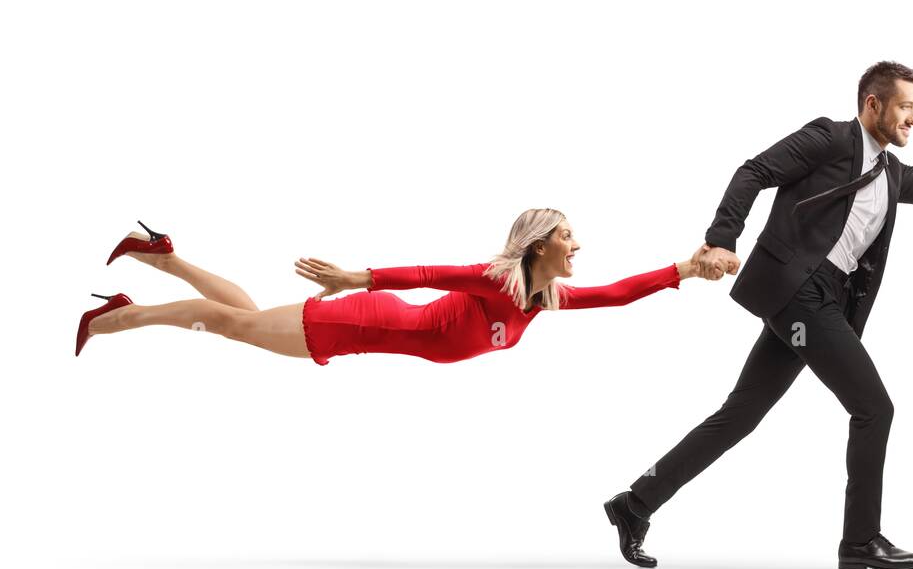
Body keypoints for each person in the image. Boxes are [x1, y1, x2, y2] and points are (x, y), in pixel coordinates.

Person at [603, 61, 913, 569]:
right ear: (873, 104)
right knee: (873, 408)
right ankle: (861, 541)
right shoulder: (828, 139)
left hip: (820, 299)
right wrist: (721, 239)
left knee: (741, 414)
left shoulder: (889, 171)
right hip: (800, 292)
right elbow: (754, 171)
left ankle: (634, 503)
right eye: (905, 107)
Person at [76, 209, 718, 364]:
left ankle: (164, 257)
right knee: (227, 323)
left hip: (370, 325)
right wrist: (359, 276)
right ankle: (117, 318)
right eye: (569, 236)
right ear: (540, 244)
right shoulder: (497, 282)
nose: (579, 247)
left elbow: (620, 293)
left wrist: (686, 269)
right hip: (358, 322)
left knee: (240, 315)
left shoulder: (542, 300)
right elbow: (431, 273)